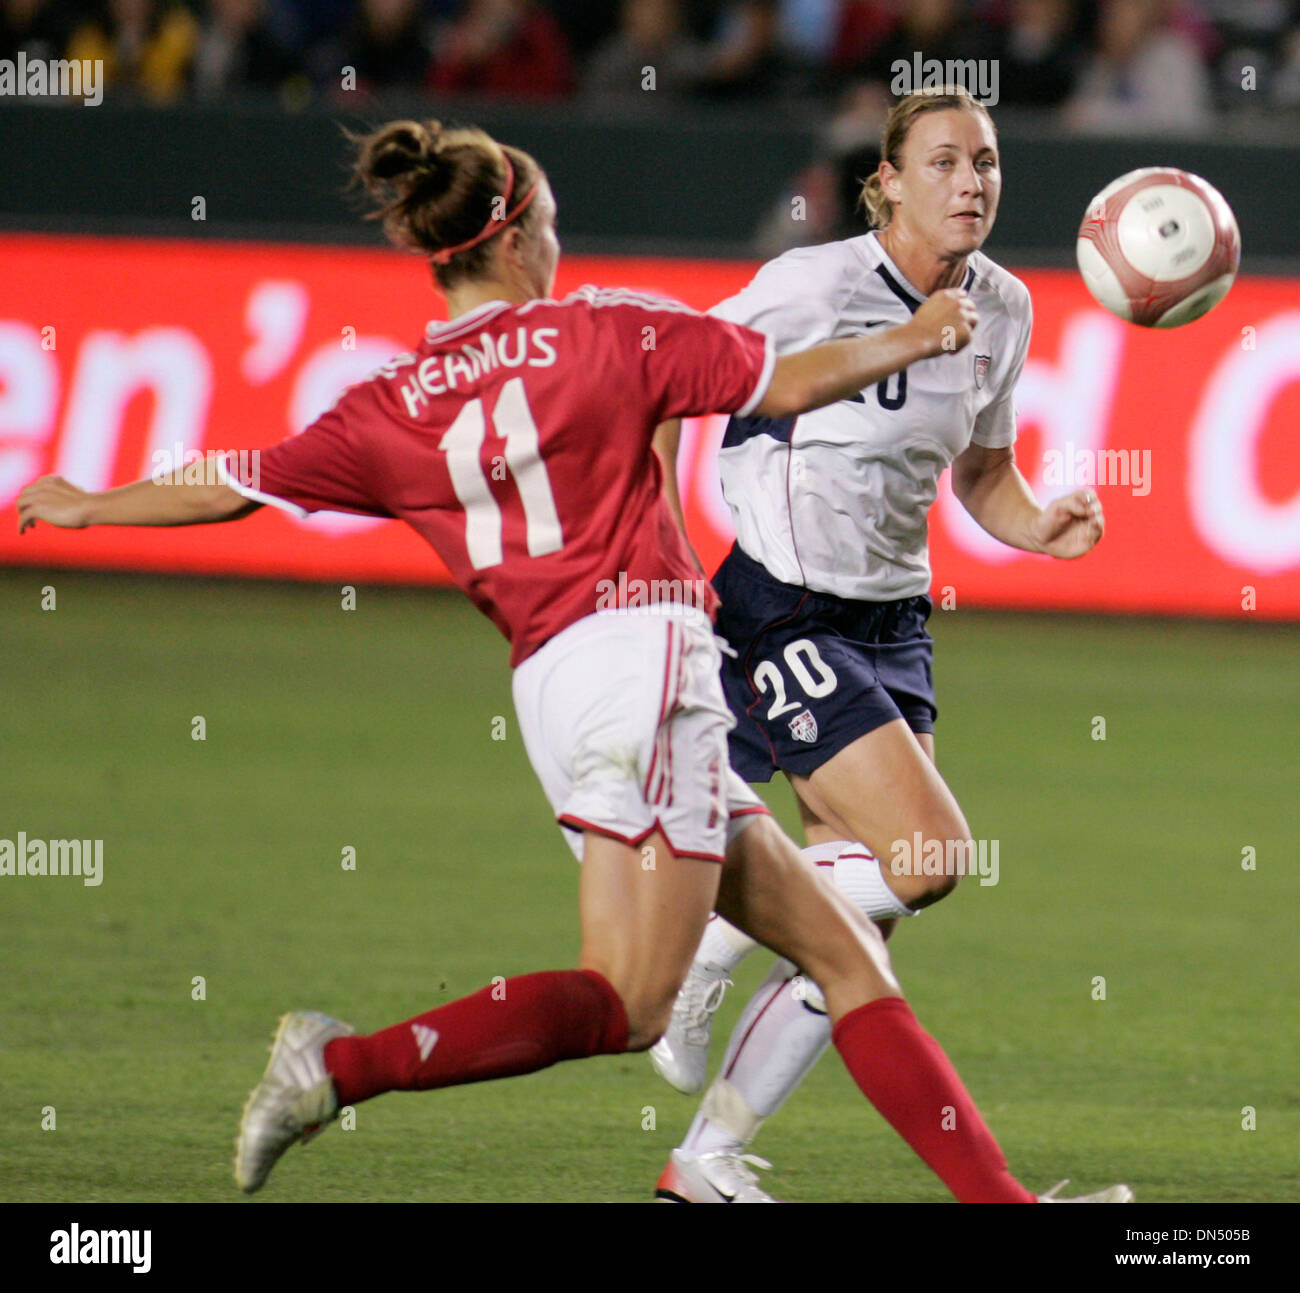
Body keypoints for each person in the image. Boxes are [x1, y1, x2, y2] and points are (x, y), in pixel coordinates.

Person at [17, 118, 1124, 1204]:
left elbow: (237, 480)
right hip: (647, 666)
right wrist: (909, 337)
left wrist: (90, 504)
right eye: (549, 219)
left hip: (555, 687)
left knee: (844, 957)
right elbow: (778, 383)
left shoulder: (393, 405)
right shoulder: (607, 335)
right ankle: (338, 1068)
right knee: (630, 1001)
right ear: (517, 238)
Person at [649, 87, 1109, 1203]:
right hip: (783, 607)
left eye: (987, 162)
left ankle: (704, 1162)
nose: (972, 182)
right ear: (889, 180)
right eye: (945, 161)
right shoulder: (817, 286)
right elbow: (670, 382)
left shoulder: (1003, 307)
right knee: (930, 860)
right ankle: (709, 950)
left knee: (862, 931)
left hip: (893, 620)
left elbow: (983, 479)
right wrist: (661, 548)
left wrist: (1042, 528)